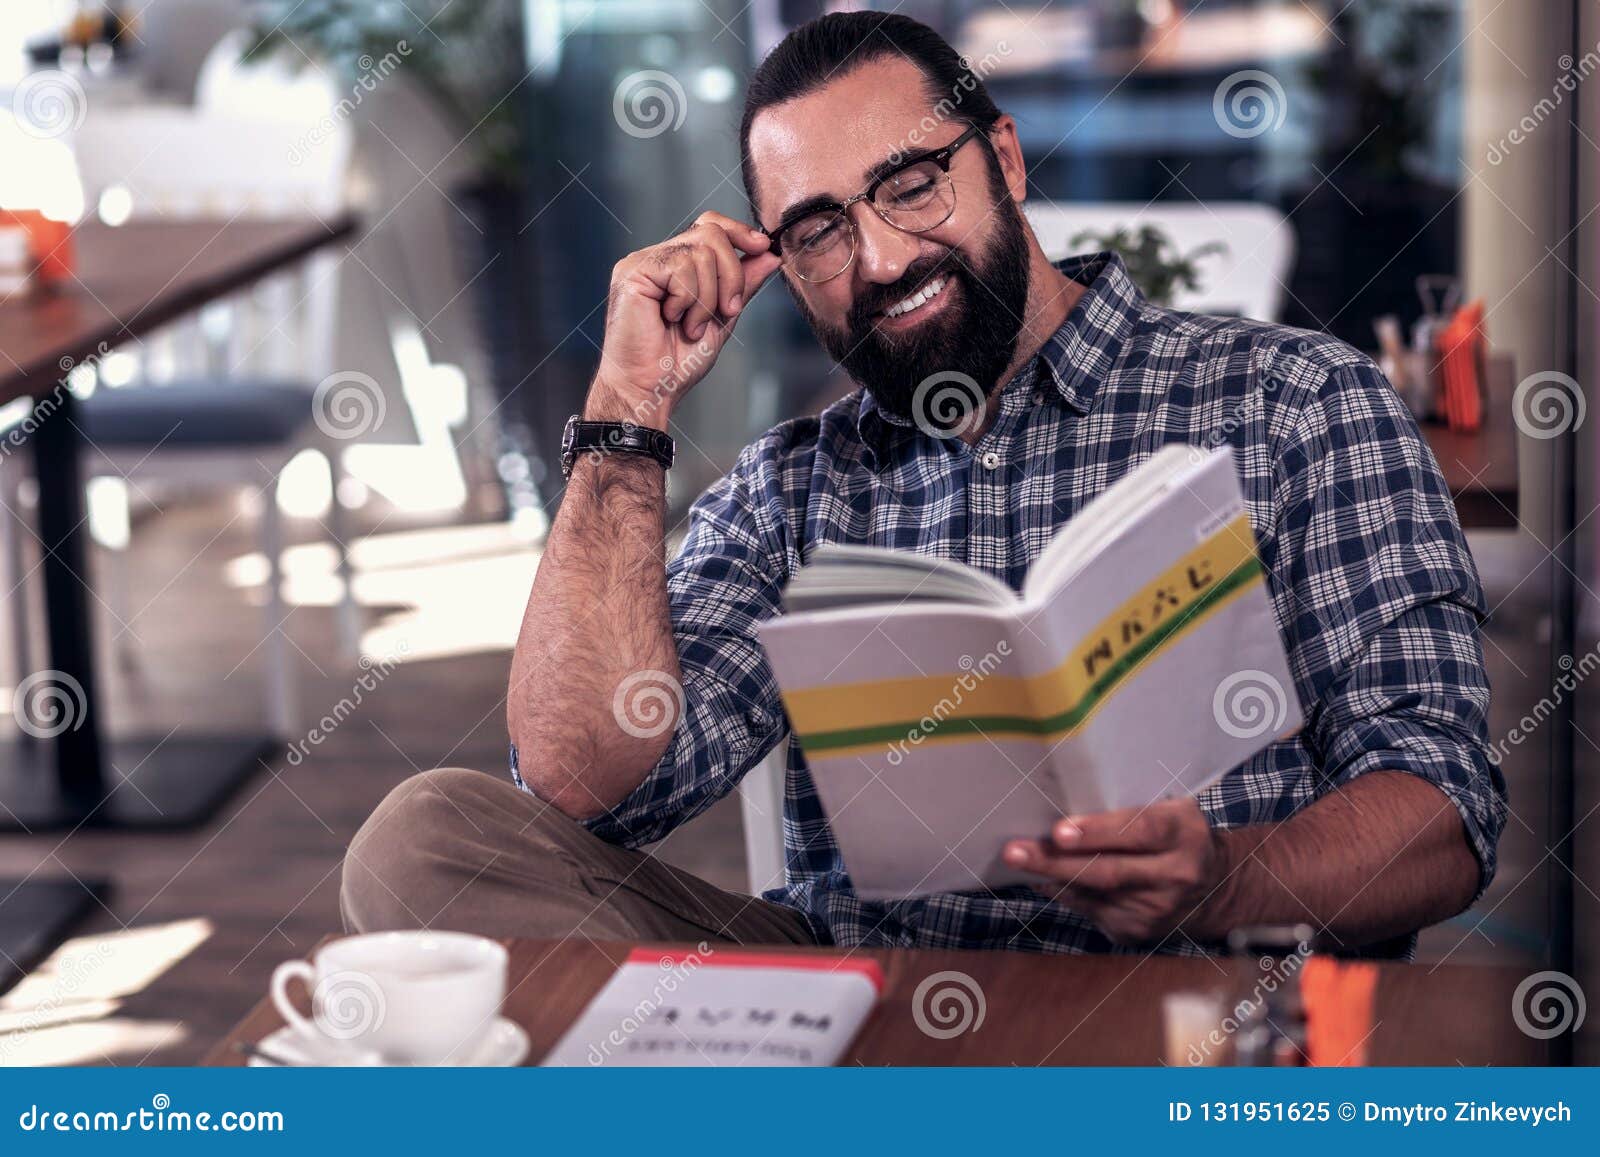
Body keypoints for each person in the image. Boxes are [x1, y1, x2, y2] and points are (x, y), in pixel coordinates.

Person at [342, 12, 1504, 957]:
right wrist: (626, 414)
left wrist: (1222, 877)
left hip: (1188, 1022)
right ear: (780, 263)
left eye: (908, 185)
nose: (883, 258)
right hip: (868, 1021)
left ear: (1000, 156)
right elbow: (586, 785)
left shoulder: (1296, 401)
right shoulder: (791, 492)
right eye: (818, 230)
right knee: (425, 841)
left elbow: (1442, 812)